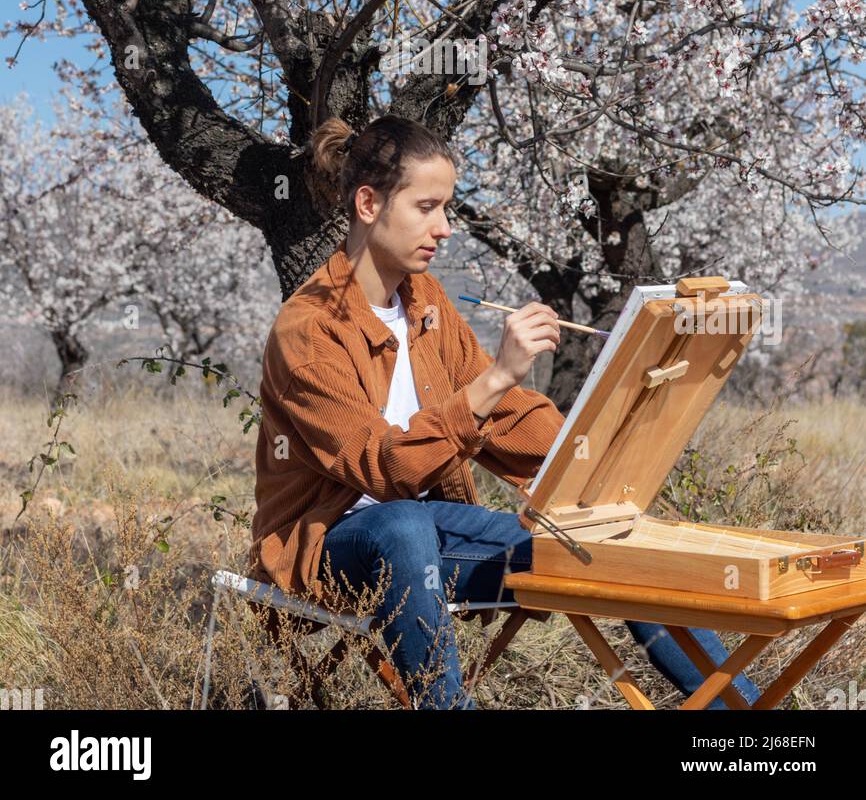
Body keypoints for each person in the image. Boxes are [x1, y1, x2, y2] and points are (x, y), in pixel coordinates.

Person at [248, 113, 761, 710]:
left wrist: (588, 463)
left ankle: (746, 720)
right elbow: (383, 470)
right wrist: (496, 378)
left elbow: (507, 418)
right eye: (426, 207)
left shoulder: (425, 301)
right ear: (368, 203)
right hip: (328, 546)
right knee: (402, 522)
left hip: (428, 538)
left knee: (604, 539)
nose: (444, 228)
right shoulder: (309, 330)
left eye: (447, 208)